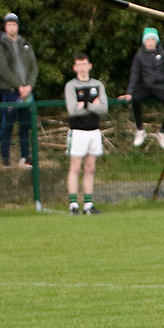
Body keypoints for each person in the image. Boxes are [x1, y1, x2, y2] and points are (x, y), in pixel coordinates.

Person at [64, 51, 107, 213]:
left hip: (94, 130)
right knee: (75, 167)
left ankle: (88, 204)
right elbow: (73, 110)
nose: (82, 68)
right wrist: (92, 105)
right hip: (78, 131)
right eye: (79, 65)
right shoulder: (71, 86)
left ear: (89, 66)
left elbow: (103, 108)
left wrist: (85, 105)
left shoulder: (98, 85)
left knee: (90, 167)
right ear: (75, 68)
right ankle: (73, 203)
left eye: (84, 64)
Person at [122, 28, 164, 150]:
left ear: (156, 41)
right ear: (144, 41)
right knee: (135, 99)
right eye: (148, 39)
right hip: (145, 87)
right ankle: (140, 130)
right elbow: (135, 74)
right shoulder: (139, 56)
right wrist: (129, 92)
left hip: (161, 88)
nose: (150, 42)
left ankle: (162, 132)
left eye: (153, 39)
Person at [0, 13, 37, 167]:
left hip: (27, 92)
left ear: (18, 26)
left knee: (26, 125)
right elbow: (4, 69)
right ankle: (5, 158)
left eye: (14, 24)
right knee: (7, 124)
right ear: (5, 27)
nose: (12, 27)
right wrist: (19, 86)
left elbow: (34, 67)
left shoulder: (26, 44)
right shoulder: (0, 46)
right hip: (10, 92)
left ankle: (25, 156)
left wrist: (29, 85)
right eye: (9, 24)